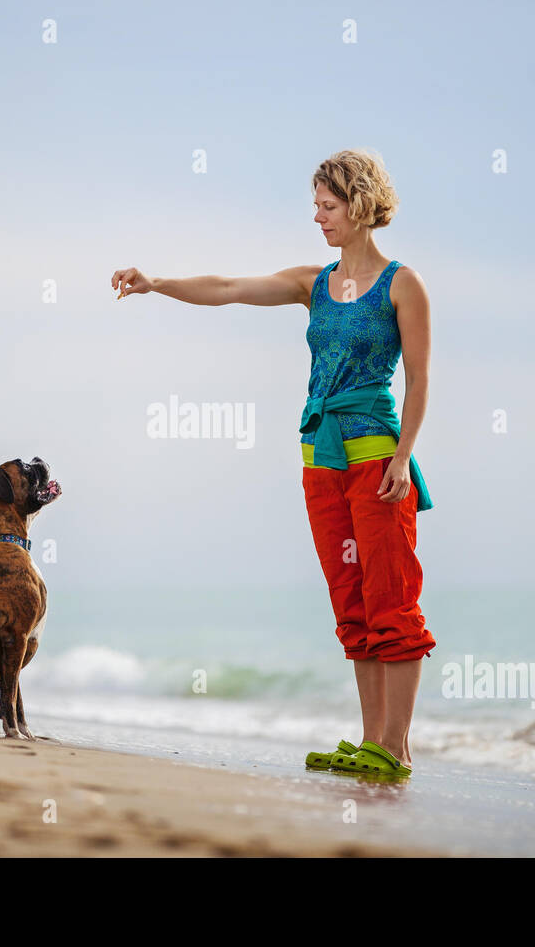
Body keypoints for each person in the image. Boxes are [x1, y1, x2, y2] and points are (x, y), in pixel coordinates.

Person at [110, 148, 436, 778]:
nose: (318, 217)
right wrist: (156, 283)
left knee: (392, 596)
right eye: (315, 206)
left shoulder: (402, 284)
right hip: (320, 459)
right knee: (352, 599)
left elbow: (421, 381)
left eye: (328, 205)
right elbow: (229, 289)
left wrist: (404, 455)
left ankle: (396, 749)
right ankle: (372, 741)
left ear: (361, 203)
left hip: (377, 458)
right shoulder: (310, 283)